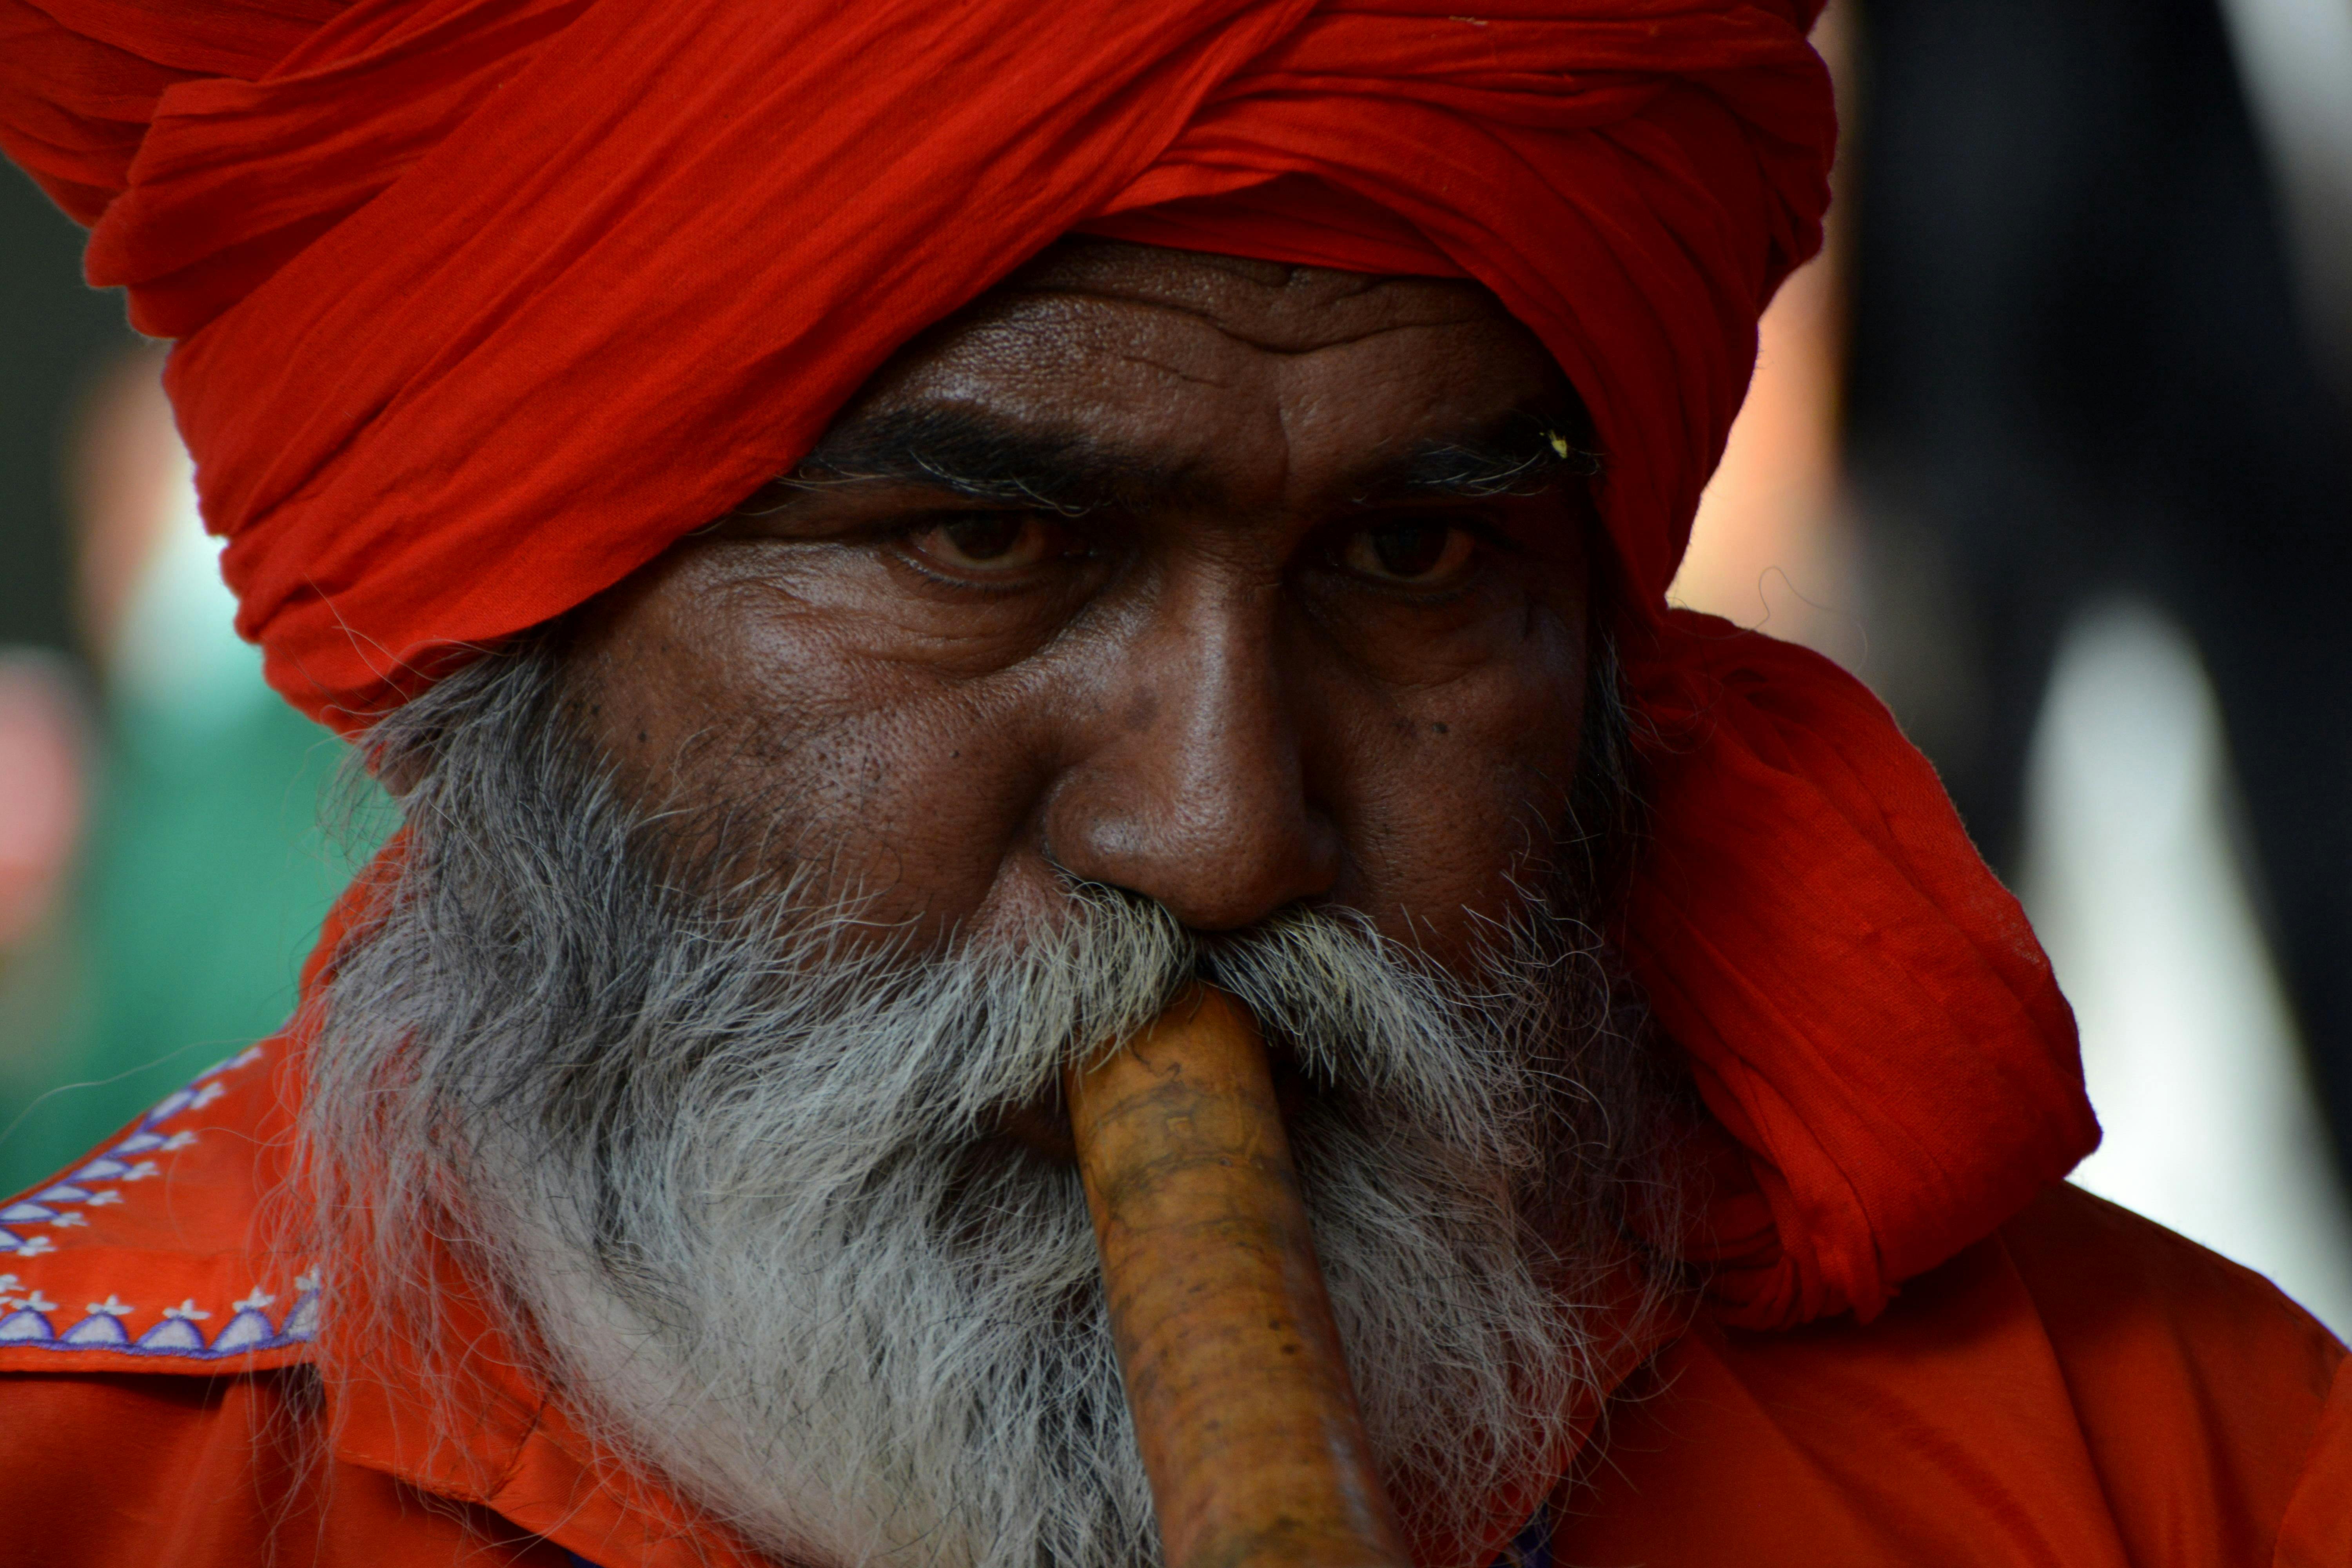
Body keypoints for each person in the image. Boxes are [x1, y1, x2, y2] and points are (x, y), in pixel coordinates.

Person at [0, 2, 2342, 1566]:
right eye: (989, 542)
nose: (1225, 833)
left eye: (1413, 559)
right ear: (522, 607)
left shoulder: (2160, 1482)